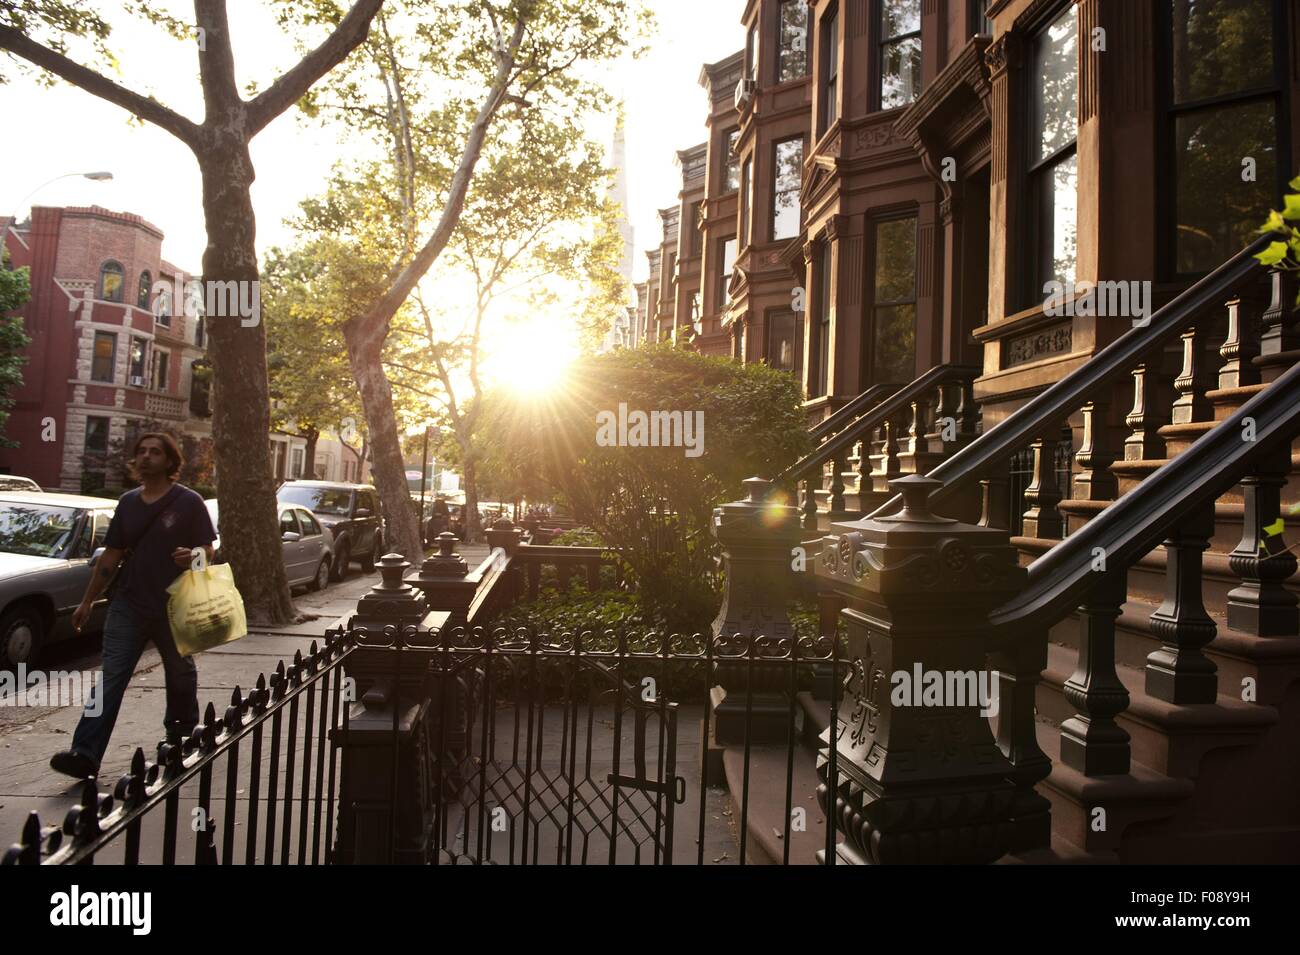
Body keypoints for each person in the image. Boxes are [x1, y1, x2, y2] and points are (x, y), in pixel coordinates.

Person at [49, 433, 216, 780]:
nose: (146, 457)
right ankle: (84, 752)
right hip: (129, 605)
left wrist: (193, 557)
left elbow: (209, 552)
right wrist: (87, 601)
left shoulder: (189, 502)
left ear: (170, 461)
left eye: (155, 452)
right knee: (110, 678)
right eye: (141, 451)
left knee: (180, 672)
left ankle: (181, 734)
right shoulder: (127, 503)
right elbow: (111, 556)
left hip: (175, 605)